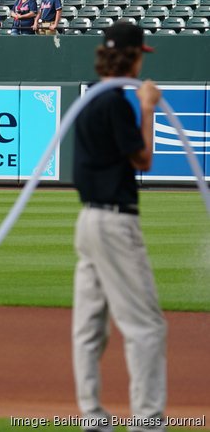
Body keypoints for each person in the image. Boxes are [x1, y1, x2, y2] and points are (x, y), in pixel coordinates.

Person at [72, 21, 166, 432]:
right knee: (146, 326)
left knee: (88, 327)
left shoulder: (91, 97)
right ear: (133, 57)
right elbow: (143, 159)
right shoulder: (114, 102)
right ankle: (147, 421)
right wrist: (147, 107)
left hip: (88, 220)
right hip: (114, 221)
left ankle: (92, 417)